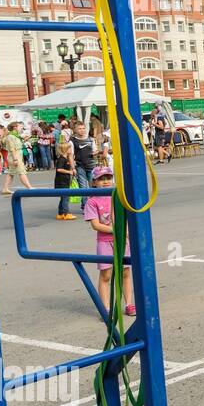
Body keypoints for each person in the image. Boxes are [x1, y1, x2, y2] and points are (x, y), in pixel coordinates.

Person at [83, 166, 135, 317]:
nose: (106, 182)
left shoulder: (117, 196)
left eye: (108, 178)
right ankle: (105, 309)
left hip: (121, 241)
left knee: (125, 272)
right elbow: (96, 225)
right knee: (106, 275)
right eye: (101, 179)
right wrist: (115, 230)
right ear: (94, 182)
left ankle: (129, 304)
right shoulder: (92, 201)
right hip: (105, 242)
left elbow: (125, 218)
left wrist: (125, 233)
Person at [69, 120, 98, 206]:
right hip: (79, 166)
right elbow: (71, 155)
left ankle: (94, 204)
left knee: (93, 186)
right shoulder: (72, 141)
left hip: (91, 165)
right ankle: (85, 206)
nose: (82, 130)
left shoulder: (91, 140)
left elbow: (95, 150)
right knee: (83, 187)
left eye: (83, 128)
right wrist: (73, 167)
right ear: (75, 130)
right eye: (79, 128)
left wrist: (95, 152)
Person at [0, 121, 33, 195]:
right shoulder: (11, 137)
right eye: (20, 126)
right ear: (15, 127)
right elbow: (12, 149)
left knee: (11, 173)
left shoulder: (15, 136)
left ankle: (5, 188)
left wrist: (24, 139)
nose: (21, 128)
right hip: (15, 156)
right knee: (21, 172)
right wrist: (15, 159)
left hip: (16, 155)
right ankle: (29, 187)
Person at [53, 132, 76, 220]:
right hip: (61, 182)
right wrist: (69, 172)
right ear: (65, 150)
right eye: (69, 149)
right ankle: (66, 213)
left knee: (63, 198)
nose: (71, 150)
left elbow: (71, 164)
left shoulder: (66, 158)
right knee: (65, 198)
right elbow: (59, 169)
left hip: (65, 181)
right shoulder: (61, 159)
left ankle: (60, 213)